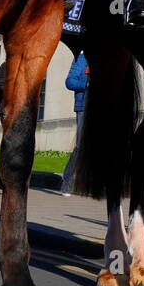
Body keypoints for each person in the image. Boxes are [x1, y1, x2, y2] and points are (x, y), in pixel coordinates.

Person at [59, 52, 89, 195]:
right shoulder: (81, 59)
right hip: (84, 107)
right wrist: (86, 84)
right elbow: (69, 81)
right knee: (81, 145)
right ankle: (67, 182)